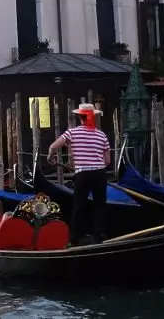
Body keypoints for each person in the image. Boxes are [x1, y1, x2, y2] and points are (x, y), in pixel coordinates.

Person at [47, 103, 110, 245]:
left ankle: (75, 237)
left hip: (83, 174)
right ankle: (98, 234)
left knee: (79, 205)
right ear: (92, 117)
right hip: (100, 174)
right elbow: (107, 161)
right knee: (100, 205)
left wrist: (50, 157)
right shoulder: (102, 135)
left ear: (80, 117)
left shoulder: (72, 132)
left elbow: (53, 146)